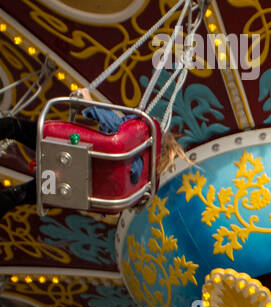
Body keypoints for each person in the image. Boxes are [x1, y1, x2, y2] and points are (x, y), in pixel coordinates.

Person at [0, 91, 161, 219]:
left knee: (14, 127)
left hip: (68, 150)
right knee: (17, 196)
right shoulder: (141, 187)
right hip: (78, 188)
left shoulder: (137, 138)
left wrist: (88, 101)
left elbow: (115, 126)